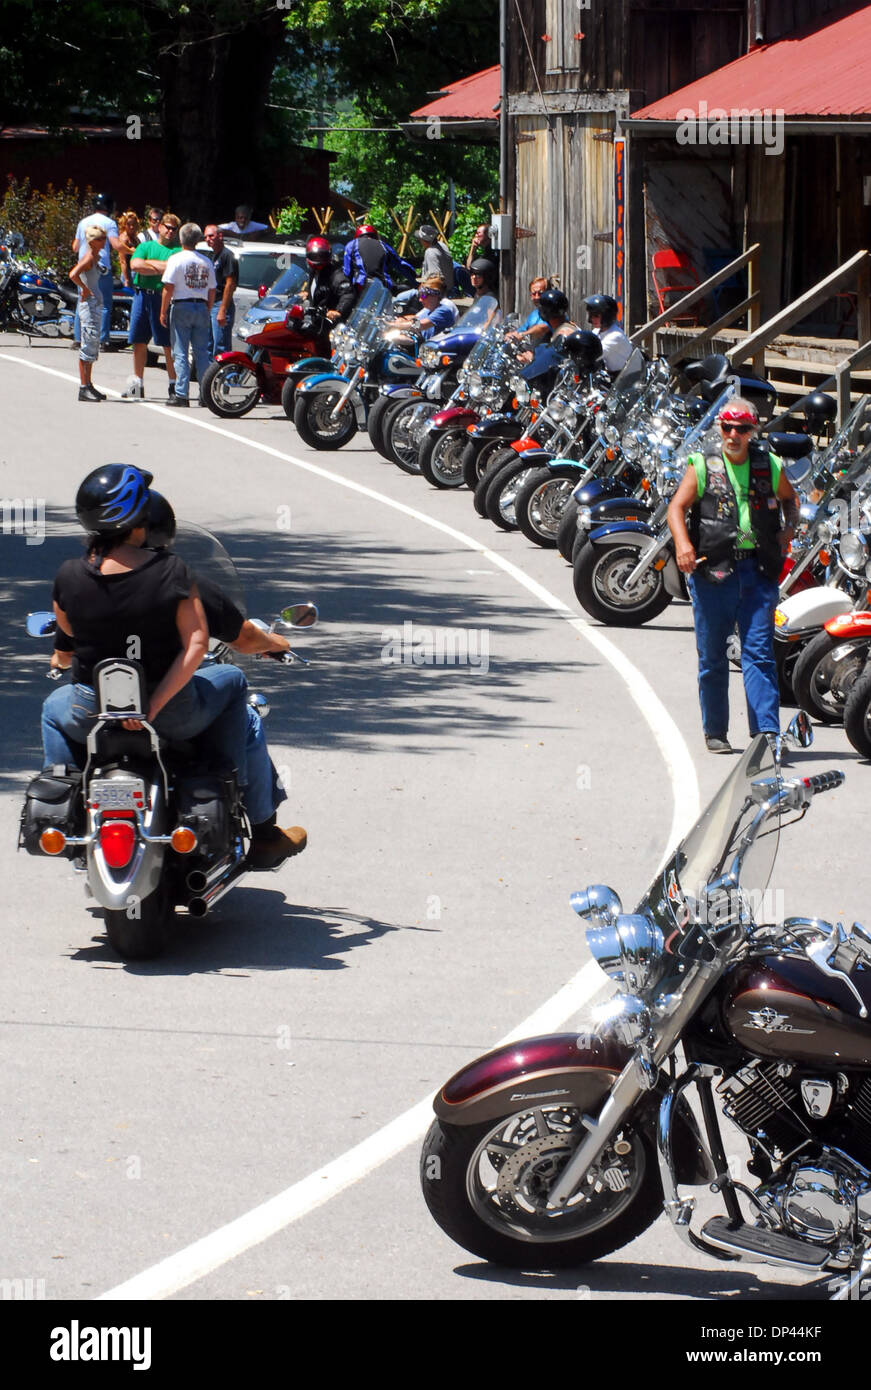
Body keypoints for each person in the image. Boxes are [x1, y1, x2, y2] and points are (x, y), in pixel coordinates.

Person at [41, 467, 250, 814]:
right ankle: (237, 799)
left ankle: (63, 804)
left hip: (91, 711)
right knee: (234, 680)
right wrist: (153, 705)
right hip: (171, 713)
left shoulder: (68, 574)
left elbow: (71, 636)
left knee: (52, 709)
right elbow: (197, 644)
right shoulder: (172, 571)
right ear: (142, 515)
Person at [142, 492, 307, 867]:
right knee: (238, 694)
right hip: (170, 706)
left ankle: (67, 800)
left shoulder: (84, 578)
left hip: (100, 708)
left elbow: (65, 647)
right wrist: (277, 642)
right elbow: (244, 637)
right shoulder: (182, 581)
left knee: (59, 707)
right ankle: (258, 824)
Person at [667, 399, 799, 753]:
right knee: (712, 655)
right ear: (720, 429)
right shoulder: (703, 465)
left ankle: (766, 734)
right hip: (714, 571)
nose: (733, 435)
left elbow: (791, 498)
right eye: (727, 427)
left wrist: (789, 528)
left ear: (753, 430)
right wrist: (682, 544)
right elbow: (676, 507)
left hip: (757, 570)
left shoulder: (768, 464)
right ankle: (715, 731)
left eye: (741, 428)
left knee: (758, 653)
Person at [123, 212, 181, 401]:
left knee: (166, 344)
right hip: (141, 296)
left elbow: (173, 268)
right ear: (160, 227)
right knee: (138, 341)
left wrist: (149, 265)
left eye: (174, 228)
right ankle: (137, 384)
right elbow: (135, 265)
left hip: (161, 298)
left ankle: (174, 385)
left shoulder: (177, 251)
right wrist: (161, 267)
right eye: (167, 227)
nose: (170, 231)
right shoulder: (146, 245)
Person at [160, 222, 216, 407]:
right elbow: (212, 289)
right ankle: (205, 393)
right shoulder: (206, 261)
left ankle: (181, 394)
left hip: (182, 305)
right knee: (202, 352)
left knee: (181, 352)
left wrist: (163, 310)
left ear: (181, 238)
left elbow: (168, 287)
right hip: (200, 305)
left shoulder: (176, 259)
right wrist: (207, 307)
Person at [71, 193, 122, 349]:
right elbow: (116, 245)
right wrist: (131, 250)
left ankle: (78, 338)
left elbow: (75, 247)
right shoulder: (110, 223)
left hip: (84, 265)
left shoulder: (83, 222)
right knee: (104, 303)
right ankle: (102, 340)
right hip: (101, 266)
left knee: (83, 299)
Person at [69, 226, 109, 403]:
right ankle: (83, 387)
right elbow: (73, 274)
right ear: (92, 241)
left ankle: (89, 384)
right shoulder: (88, 257)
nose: (104, 241)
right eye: (101, 239)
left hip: (95, 305)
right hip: (89, 306)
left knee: (93, 345)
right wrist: (84, 289)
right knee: (87, 344)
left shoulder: (96, 257)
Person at [343, 224, 415, 293]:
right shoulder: (383, 245)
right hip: (384, 287)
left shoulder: (351, 245)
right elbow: (401, 265)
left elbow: (347, 271)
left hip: (361, 287)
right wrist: (415, 281)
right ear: (375, 235)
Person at [203, 224, 239, 355]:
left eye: (211, 235)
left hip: (221, 305)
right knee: (207, 346)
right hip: (211, 304)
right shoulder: (213, 256)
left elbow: (230, 284)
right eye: (205, 236)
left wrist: (222, 310)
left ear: (220, 236)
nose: (208, 239)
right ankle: (208, 375)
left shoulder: (227, 256)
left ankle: (224, 375)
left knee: (220, 348)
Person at [303, 235, 355, 324]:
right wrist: (306, 292)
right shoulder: (314, 272)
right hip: (314, 321)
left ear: (329, 255)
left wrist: (338, 311)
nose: (318, 259)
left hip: (329, 323)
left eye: (322, 256)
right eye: (314, 256)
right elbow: (314, 287)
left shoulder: (336, 275)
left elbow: (347, 294)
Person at [390, 275, 458, 341]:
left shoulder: (443, 311)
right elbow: (415, 318)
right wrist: (401, 319)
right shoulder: (428, 311)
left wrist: (393, 325)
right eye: (420, 296)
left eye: (423, 296)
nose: (420, 299)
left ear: (434, 296)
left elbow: (420, 325)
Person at [584, 293, 633, 374]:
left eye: (596, 315)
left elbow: (594, 355)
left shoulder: (615, 335)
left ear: (607, 316)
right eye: (591, 315)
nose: (592, 319)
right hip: (609, 376)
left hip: (625, 379)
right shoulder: (596, 331)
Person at [416, 224, 454, 294]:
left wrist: (421, 293)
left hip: (437, 292)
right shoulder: (442, 245)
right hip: (449, 287)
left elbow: (435, 277)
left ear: (424, 241)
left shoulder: (430, 252)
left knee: (404, 297)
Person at [116, 211, 141, 287]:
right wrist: (127, 279)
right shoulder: (124, 238)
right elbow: (123, 261)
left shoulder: (135, 237)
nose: (131, 227)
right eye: (129, 224)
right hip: (128, 273)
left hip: (136, 271)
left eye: (133, 224)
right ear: (124, 224)